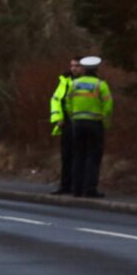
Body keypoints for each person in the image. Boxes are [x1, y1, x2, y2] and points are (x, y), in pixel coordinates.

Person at [68, 56, 113, 198]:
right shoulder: (101, 85)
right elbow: (108, 106)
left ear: (84, 69)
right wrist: (105, 121)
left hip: (77, 123)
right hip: (94, 124)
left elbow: (67, 103)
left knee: (78, 156)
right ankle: (90, 189)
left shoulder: (74, 84)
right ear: (96, 69)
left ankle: (76, 189)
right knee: (93, 157)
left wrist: (73, 117)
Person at [49, 58, 81, 194]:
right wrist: (58, 118)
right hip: (67, 123)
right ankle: (65, 185)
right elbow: (56, 100)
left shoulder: (85, 82)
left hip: (80, 122)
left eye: (77, 66)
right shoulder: (64, 81)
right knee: (66, 156)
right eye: (72, 65)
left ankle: (76, 185)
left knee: (78, 155)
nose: (73, 68)